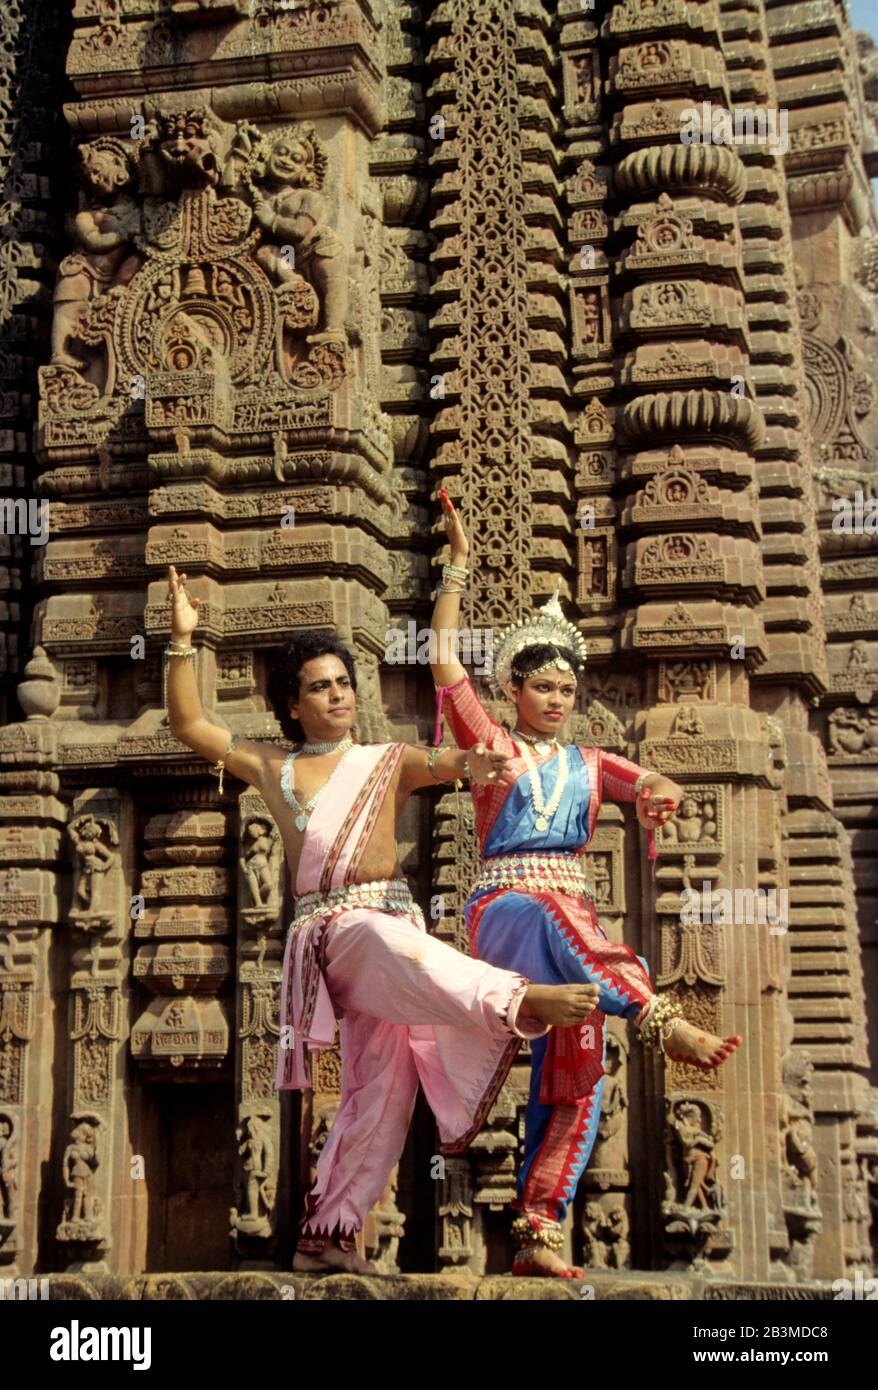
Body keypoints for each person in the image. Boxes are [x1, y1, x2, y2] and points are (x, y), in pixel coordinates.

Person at [163, 565, 601, 1273]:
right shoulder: (274, 769)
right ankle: (518, 998)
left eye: (343, 682)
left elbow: (449, 761)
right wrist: (183, 638)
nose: (337, 695)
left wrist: (479, 763)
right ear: (292, 703)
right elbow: (190, 724)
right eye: (319, 686)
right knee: (387, 943)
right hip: (341, 937)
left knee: (384, 1094)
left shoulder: (386, 760)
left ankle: (327, 1233)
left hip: (396, 933)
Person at [428, 493, 742, 1278]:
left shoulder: (591, 762)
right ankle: (658, 1015)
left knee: (578, 1072)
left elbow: (649, 781)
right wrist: (456, 568)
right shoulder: (494, 744)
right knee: (561, 921)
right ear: (515, 692)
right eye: (543, 687)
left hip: (571, 930)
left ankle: (538, 1233)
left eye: (567, 689)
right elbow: (442, 665)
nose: (558, 699)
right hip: (509, 911)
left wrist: (662, 790)